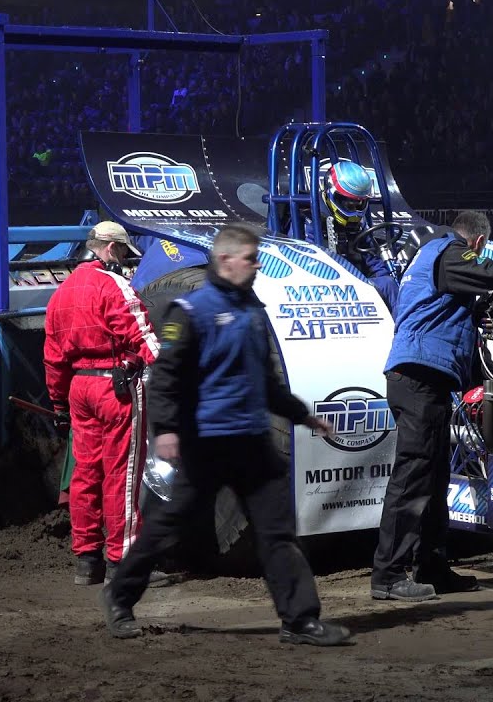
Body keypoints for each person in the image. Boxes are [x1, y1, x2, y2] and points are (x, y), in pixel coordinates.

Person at [100, 223, 351, 646]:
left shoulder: (253, 311)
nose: (255, 266)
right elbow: (165, 378)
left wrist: (303, 416)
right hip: (207, 443)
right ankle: (120, 596)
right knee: (164, 525)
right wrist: (166, 431)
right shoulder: (190, 311)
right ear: (227, 260)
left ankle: (300, 621)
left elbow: (266, 383)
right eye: (250, 259)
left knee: (277, 533)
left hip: (253, 442)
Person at [373, 211, 493, 601]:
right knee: (412, 478)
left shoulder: (431, 257)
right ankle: (388, 575)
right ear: (478, 243)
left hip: (421, 377)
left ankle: (432, 566)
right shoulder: (451, 254)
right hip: (419, 378)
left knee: (431, 479)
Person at [44, 221, 160, 586]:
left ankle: (86, 561)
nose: (125, 261)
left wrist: (59, 404)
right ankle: (123, 563)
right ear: (110, 248)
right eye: (124, 252)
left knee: (85, 474)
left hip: (79, 389)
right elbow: (141, 333)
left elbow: (52, 356)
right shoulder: (113, 285)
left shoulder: (61, 294)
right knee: (122, 474)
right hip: (116, 387)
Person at [321, 160, 400, 310]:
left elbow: (373, 260)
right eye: (349, 204)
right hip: (324, 285)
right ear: (333, 196)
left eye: (359, 204)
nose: (355, 209)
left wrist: (386, 277)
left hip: (355, 282)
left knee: (389, 282)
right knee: (388, 286)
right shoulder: (309, 220)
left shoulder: (359, 224)